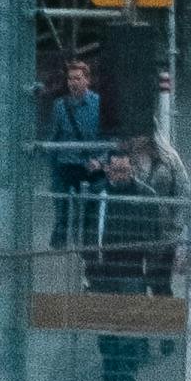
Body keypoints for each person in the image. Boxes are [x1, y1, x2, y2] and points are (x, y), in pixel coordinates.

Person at [87, 142, 174, 381]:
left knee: (127, 329)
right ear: (107, 170)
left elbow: (156, 235)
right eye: (115, 171)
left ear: (132, 169)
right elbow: (88, 231)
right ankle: (111, 380)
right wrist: (89, 261)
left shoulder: (145, 196)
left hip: (132, 270)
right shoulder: (97, 193)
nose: (120, 176)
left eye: (124, 171)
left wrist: (151, 266)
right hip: (102, 272)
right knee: (106, 331)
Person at [42, 50, 110, 251]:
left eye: (78, 79)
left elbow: (108, 138)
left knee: (94, 200)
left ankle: (88, 240)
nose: (73, 83)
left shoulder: (99, 104)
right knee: (62, 198)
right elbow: (55, 136)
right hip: (68, 162)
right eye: (70, 79)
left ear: (87, 80)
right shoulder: (60, 106)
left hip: (92, 163)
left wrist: (100, 161)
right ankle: (61, 231)